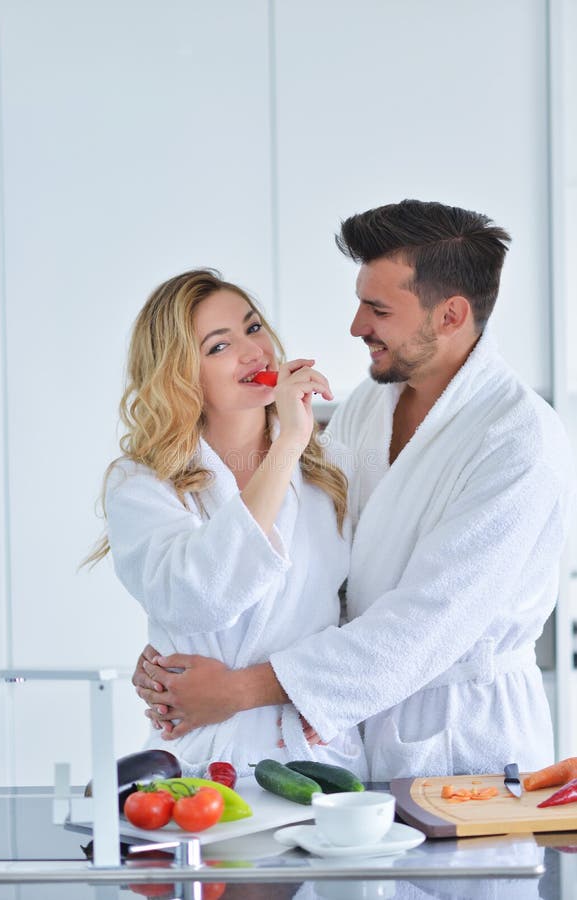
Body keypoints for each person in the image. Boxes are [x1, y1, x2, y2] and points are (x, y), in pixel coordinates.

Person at [133, 200, 575, 780]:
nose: (356, 326)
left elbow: (431, 622)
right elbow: (316, 560)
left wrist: (241, 689)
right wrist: (189, 648)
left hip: (467, 738)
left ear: (450, 315)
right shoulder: (372, 404)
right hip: (349, 722)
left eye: (379, 308)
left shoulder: (519, 437)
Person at [88, 268, 367, 778]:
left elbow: (363, 613)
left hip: (312, 753)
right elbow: (198, 597)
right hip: (204, 762)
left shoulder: (333, 470)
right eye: (219, 346)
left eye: (254, 328)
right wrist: (287, 446)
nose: (253, 352)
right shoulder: (143, 485)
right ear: (179, 374)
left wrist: (329, 690)